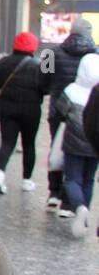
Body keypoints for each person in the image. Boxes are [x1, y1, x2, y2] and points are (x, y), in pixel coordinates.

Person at [46, 18, 97, 216]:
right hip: (92, 111)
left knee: (57, 150)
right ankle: (70, 205)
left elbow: (42, 77)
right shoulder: (96, 54)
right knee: (83, 164)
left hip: (60, 108)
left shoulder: (52, 52)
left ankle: (54, 192)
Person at [0, 31, 47, 194]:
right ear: (33, 46)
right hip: (31, 110)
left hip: (7, 108)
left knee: (7, 142)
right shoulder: (39, 65)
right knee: (29, 144)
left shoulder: (3, 63)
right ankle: (26, 180)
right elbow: (45, 88)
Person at [54, 53, 99, 239]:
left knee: (72, 178)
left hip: (75, 142)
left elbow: (59, 110)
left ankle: (79, 207)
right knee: (88, 179)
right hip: (94, 147)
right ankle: (85, 211)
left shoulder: (72, 90)